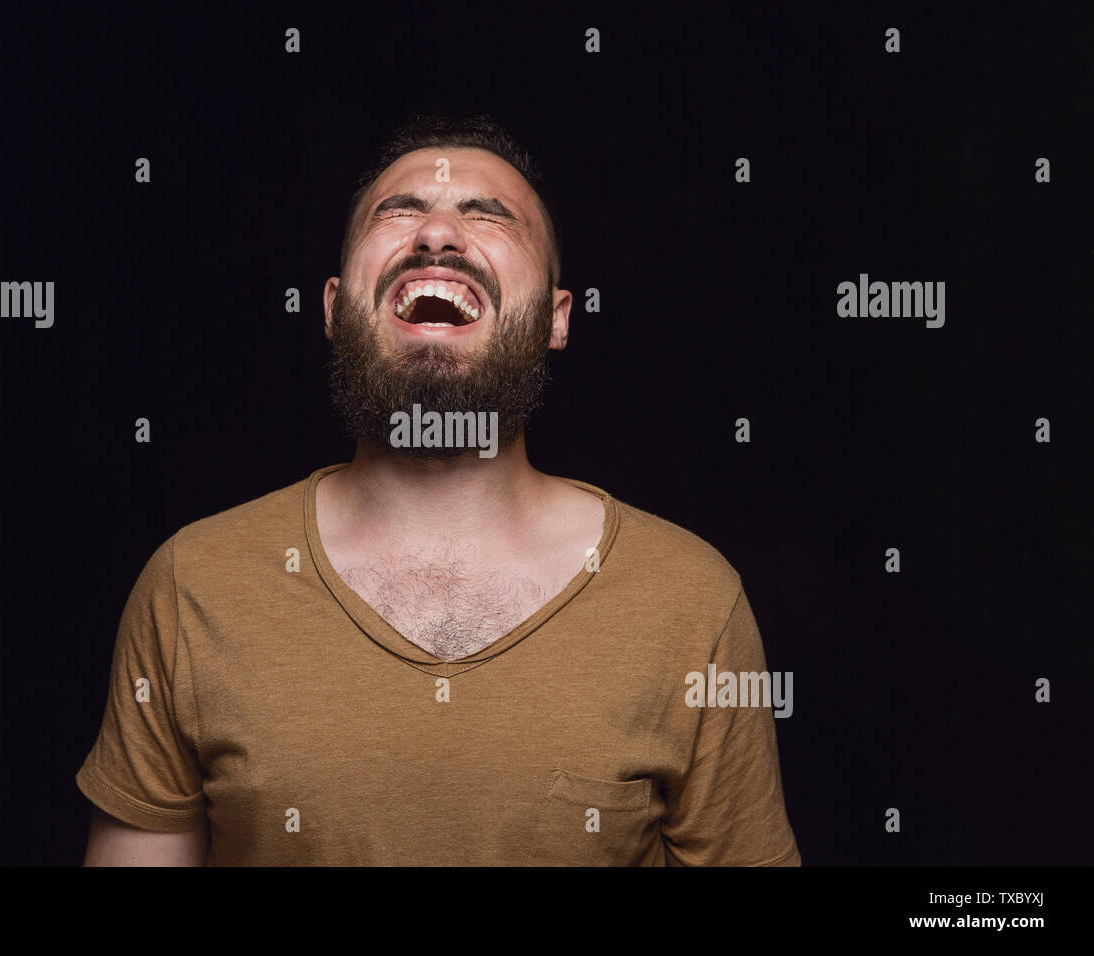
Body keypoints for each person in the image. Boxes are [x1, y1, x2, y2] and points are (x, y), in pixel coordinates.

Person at [77, 113, 801, 866]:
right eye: (400, 213)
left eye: (488, 216)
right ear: (332, 307)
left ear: (557, 318)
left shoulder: (691, 603)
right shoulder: (192, 586)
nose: (436, 236)